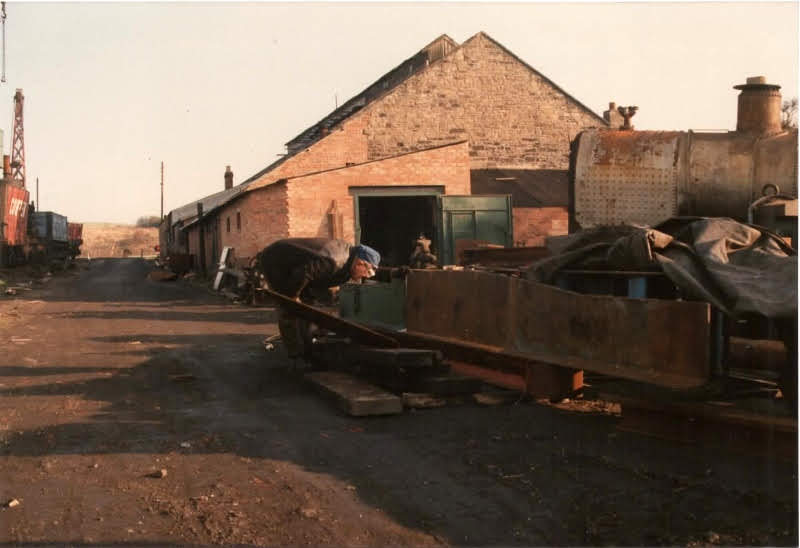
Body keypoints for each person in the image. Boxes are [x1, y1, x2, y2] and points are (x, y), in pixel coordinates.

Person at [256, 238, 381, 359]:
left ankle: (307, 345)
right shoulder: (334, 261)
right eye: (367, 272)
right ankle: (296, 355)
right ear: (360, 263)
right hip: (277, 261)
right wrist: (294, 297)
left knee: (306, 306)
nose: (365, 277)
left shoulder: (348, 264)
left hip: (298, 267)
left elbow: (320, 280)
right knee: (289, 308)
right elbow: (304, 273)